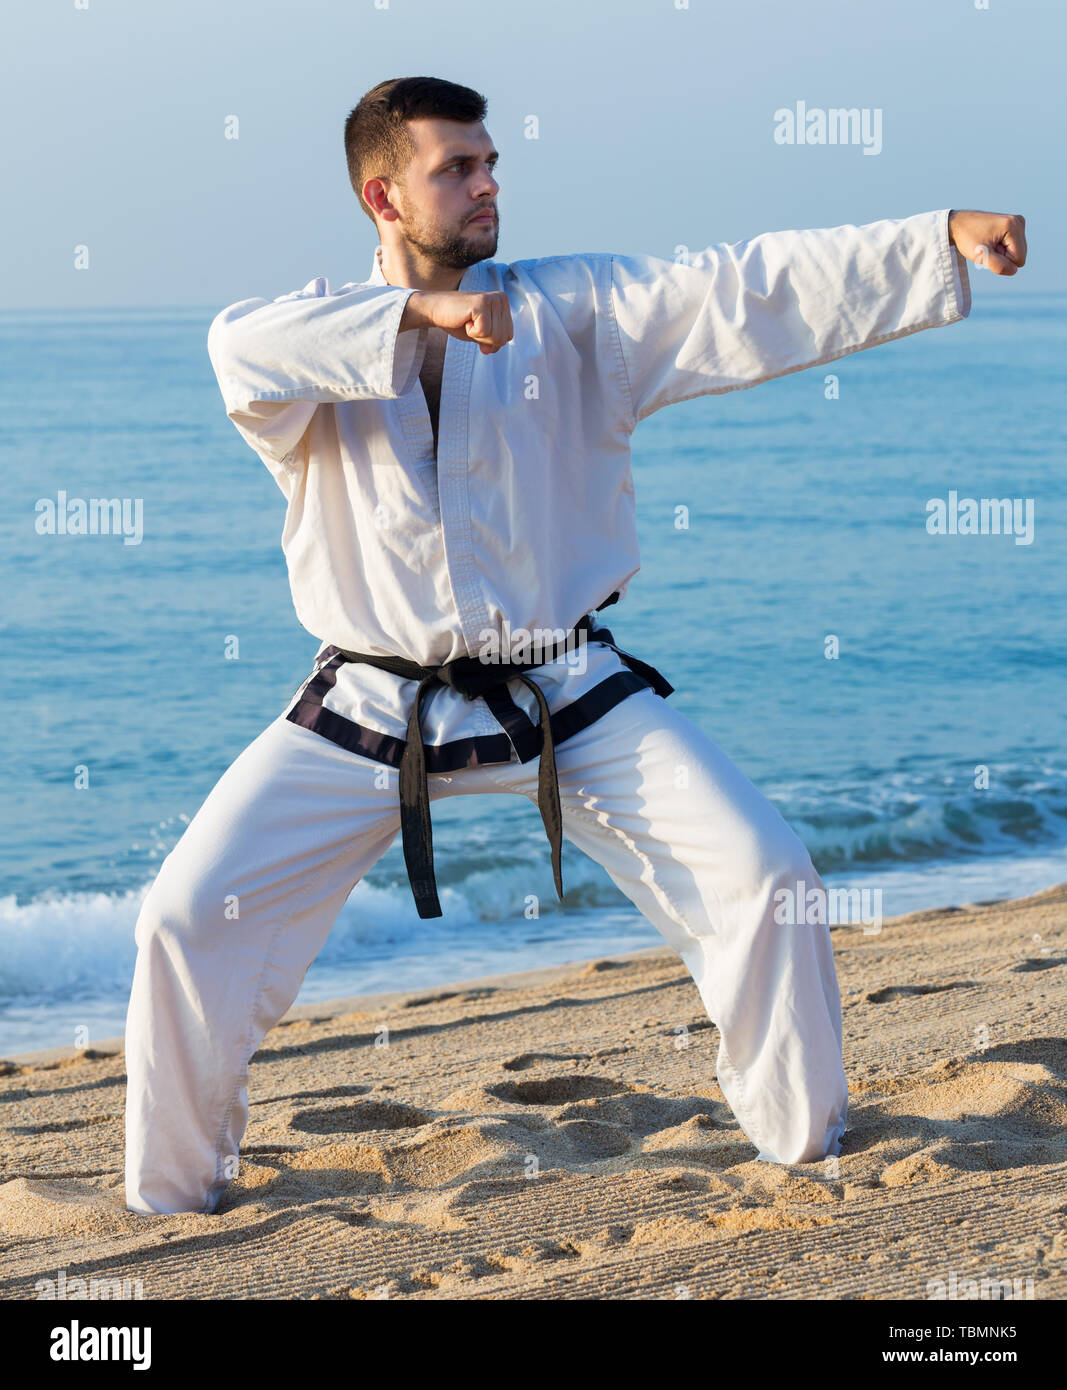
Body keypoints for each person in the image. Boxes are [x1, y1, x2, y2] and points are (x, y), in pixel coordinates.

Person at [123, 75, 1027, 1215]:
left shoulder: (574, 311)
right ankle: (172, 1196)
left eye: (491, 161)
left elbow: (740, 286)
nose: (488, 182)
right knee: (184, 918)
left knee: (767, 878)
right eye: (455, 167)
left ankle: (804, 1152)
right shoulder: (305, 338)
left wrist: (929, 239)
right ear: (382, 195)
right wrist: (416, 319)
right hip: (367, 707)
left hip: (567, 689)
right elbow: (238, 349)